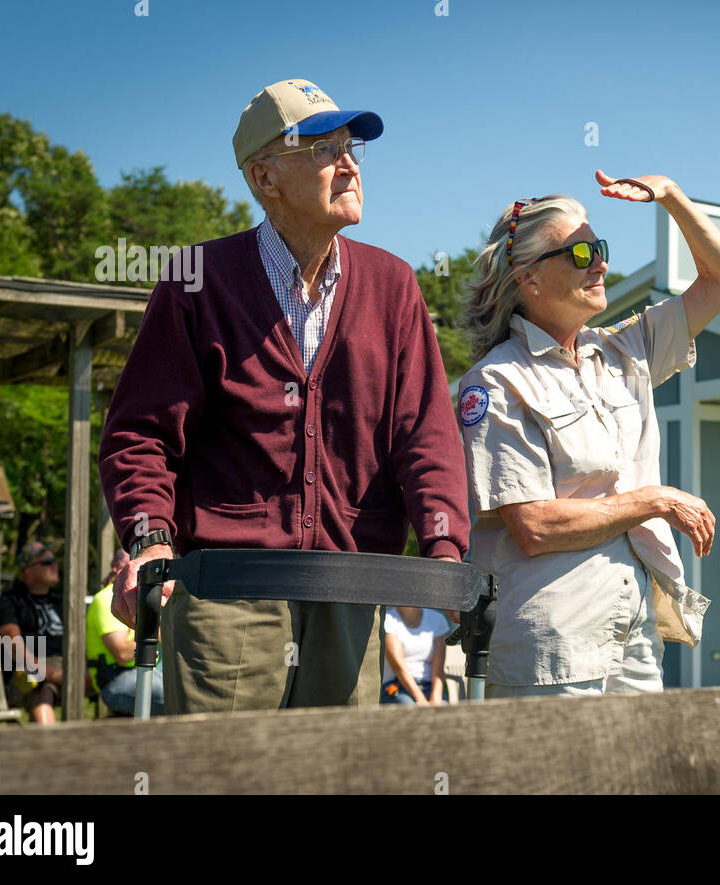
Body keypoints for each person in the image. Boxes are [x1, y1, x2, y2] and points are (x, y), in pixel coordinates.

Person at [99, 78, 470, 714]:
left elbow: (425, 435)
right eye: (324, 146)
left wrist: (444, 549)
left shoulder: (393, 285)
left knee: (335, 777)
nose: (349, 161)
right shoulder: (197, 282)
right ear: (265, 176)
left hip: (352, 584)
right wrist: (148, 538)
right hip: (227, 590)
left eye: (351, 145)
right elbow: (143, 436)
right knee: (228, 776)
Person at [457, 171, 720, 697]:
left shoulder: (622, 351)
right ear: (529, 278)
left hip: (634, 630)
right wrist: (653, 501)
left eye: (599, 247)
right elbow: (535, 526)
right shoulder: (497, 381)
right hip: (554, 642)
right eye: (579, 254)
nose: (601, 264)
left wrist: (672, 197)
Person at [0, 541, 67, 725]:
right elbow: (14, 648)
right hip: (28, 672)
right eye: (47, 562)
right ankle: (50, 750)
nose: (54, 565)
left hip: (68, 666)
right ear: (28, 571)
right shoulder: (9, 602)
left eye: (54, 560)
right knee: (42, 691)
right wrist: (49, 673)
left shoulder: (63, 599)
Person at [86, 549, 165, 716]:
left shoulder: (137, 598)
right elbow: (121, 654)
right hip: (116, 681)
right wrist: (159, 633)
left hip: (139, 672)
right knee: (175, 697)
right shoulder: (107, 598)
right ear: (117, 571)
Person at [380, 606, 449, 706]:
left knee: (443, 709)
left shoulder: (437, 619)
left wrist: (436, 697)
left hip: (430, 686)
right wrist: (420, 699)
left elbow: (439, 667)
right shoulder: (387, 619)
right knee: (411, 710)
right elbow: (397, 665)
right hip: (397, 686)